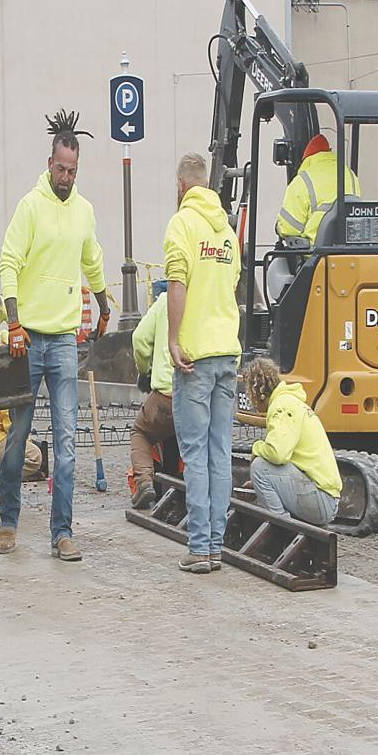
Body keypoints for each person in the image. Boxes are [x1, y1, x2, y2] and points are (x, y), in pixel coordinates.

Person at [0, 110, 111, 562]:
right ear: (49, 163)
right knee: (17, 437)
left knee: (66, 445)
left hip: (65, 340)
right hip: (27, 342)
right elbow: (9, 263)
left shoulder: (83, 212)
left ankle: (62, 532)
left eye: (73, 171)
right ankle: (8, 521)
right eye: (61, 169)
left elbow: (94, 261)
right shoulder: (30, 207)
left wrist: (104, 305)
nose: (66, 177)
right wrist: (14, 322)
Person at [164, 152, 241, 574]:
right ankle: (216, 545)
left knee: (195, 454)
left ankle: (200, 548)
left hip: (194, 357)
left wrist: (174, 340)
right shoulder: (227, 231)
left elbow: (178, 283)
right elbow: (230, 286)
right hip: (227, 352)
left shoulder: (182, 224)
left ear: (181, 186)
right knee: (220, 452)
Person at [242, 357, 343, 527]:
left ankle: (282, 529)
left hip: (322, 499)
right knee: (263, 470)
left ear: (257, 390)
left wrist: (256, 448)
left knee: (259, 467)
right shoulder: (291, 402)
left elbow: (277, 454)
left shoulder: (282, 407)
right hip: (326, 496)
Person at [129, 279, 175, 509]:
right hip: (202, 395)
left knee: (141, 432)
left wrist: (144, 369)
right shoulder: (207, 301)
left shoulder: (166, 301)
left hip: (168, 393)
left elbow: (139, 339)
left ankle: (144, 481)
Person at [276, 134, 362, 246]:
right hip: (347, 252)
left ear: (306, 158)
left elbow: (289, 229)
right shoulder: (350, 175)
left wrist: (279, 227)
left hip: (314, 256)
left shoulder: (303, 180)